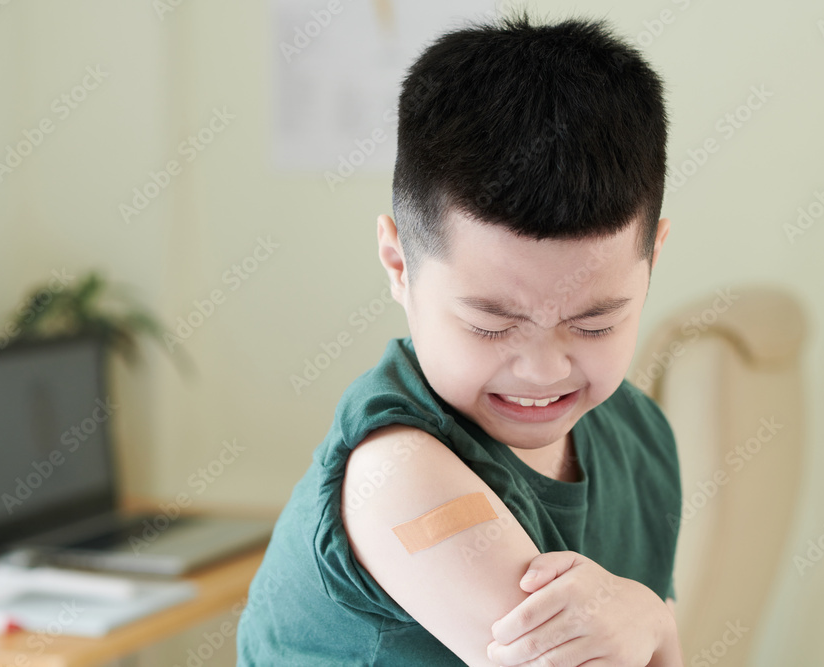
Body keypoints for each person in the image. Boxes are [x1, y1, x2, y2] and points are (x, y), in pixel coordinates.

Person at [239, 8, 684, 665]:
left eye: (595, 323)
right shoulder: (397, 478)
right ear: (398, 264)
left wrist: (650, 625)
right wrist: (657, 623)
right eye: (490, 324)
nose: (541, 369)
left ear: (653, 262)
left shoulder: (641, 437)